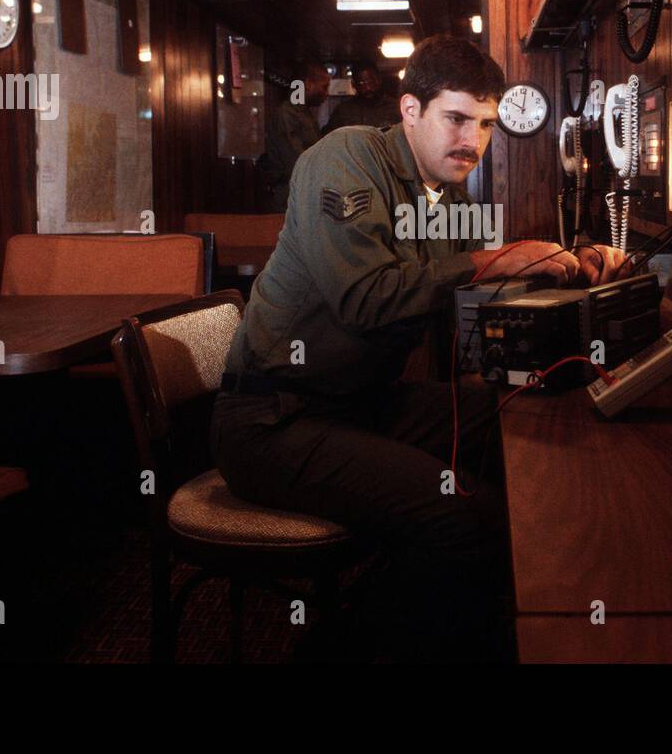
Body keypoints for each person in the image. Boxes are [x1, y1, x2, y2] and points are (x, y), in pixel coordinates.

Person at [211, 34, 629, 661]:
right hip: (273, 421)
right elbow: (369, 299)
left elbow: (464, 280)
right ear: (410, 111)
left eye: (486, 124)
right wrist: (506, 259)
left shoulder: (446, 195)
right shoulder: (343, 158)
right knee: (465, 519)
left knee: (524, 418)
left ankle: (492, 629)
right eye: (456, 118)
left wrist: (569, 265)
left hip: (359, 403)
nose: (474, 140)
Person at [264, 60, 331, 211]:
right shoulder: (287, 114)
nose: (326, 93)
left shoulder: (304, 113)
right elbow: (297, 160)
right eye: (324, 87)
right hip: (290, 196)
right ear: (307, 83)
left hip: (301, 193)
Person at [321, 60, 400, 132]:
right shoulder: (343, 111)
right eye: (362, 84)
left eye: (371, 82)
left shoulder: (396, 107)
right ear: (353, 84)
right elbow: (329, 137)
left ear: (379, 80)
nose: (368, 88)